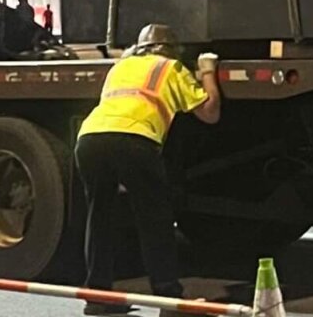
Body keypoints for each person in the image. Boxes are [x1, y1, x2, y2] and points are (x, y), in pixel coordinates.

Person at [76, 23, 221, 312]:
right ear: (169, 49)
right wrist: (207, 71)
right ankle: (168, 297)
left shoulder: (119, 68)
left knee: (99, 216)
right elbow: (210, 113)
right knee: (154, 220)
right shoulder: (170, 68)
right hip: (135, 141)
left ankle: (97, 298)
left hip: (89, 139)